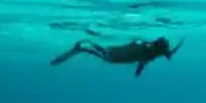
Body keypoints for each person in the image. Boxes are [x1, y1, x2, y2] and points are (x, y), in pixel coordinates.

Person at [49, 36, 183, 77]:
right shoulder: (149, 52)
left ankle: (81, 48)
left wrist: (139, 70)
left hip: (113, 56)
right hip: (113, 56)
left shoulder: (148, 50)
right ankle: (81, 48)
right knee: (91, 49)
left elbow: (143, 61)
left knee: (90, 48)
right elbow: (143, 61)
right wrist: (139, 71)